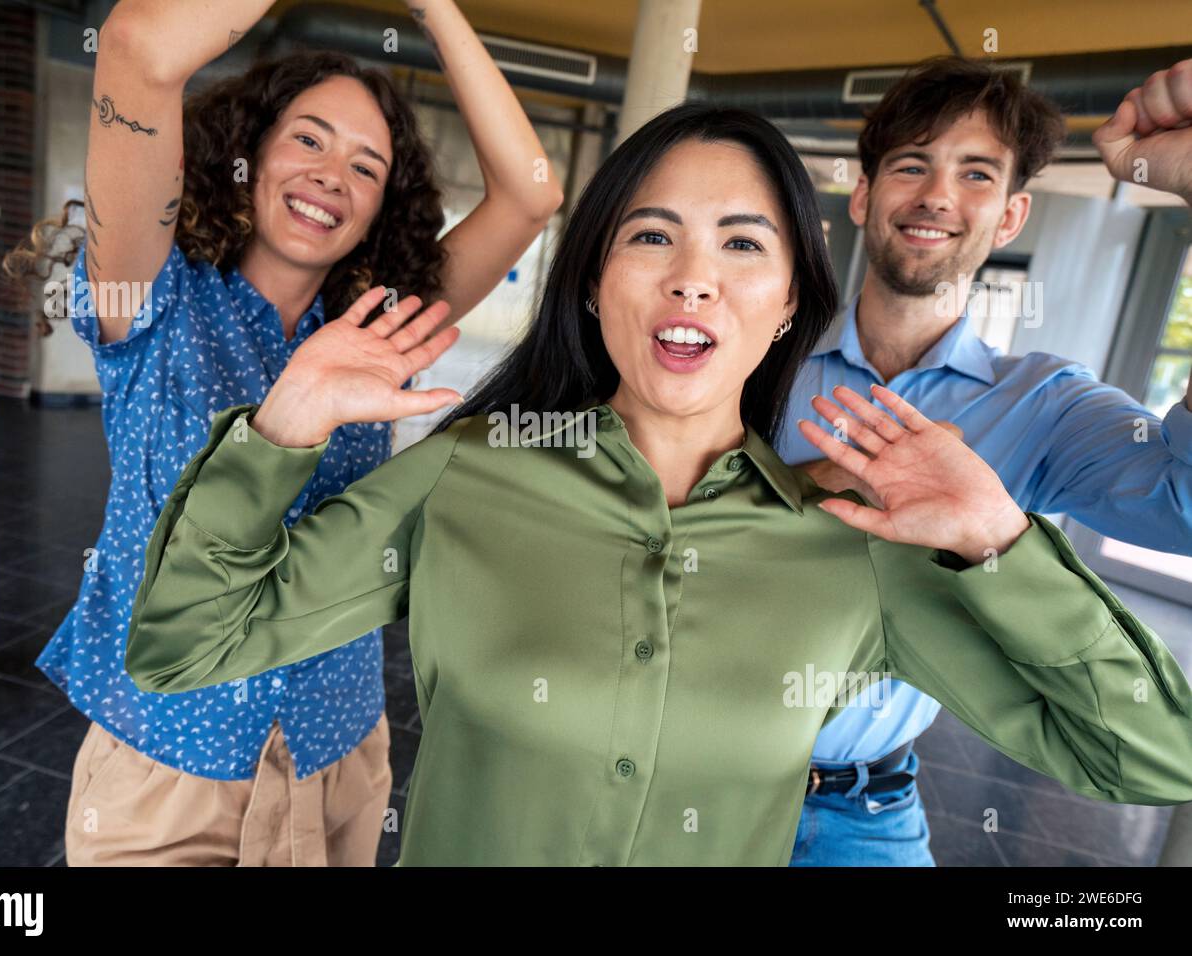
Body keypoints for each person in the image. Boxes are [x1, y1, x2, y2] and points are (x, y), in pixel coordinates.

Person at [122, 102, 1192, 866]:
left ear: (787, 305)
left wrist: (1003, 546)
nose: (692, 275)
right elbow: (183, 645)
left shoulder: (852, 540)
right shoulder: (469, 473)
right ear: (593, 284)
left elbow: (1152, 753)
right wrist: (278, 433)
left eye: (741, 242)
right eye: (650, 236)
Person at [0, 0, 562, 866]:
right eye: (308, 140)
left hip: (336, 755)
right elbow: (138, 48)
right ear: (248, 153)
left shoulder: (382, 327)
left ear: (380, 211)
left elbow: (531, 194)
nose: (334, 173)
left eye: (367, 167)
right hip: (168, 765)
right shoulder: (154, 298)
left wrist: (435, 7)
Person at [778, 56, 1192, 866]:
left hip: (864, 811)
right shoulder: (755, 362)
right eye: (911, 166)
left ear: (1010, 217)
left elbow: (1185, 505)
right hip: (690, 783)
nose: (936, 196)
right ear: (864, 196)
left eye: (976, 174)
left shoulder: (1043, 405)